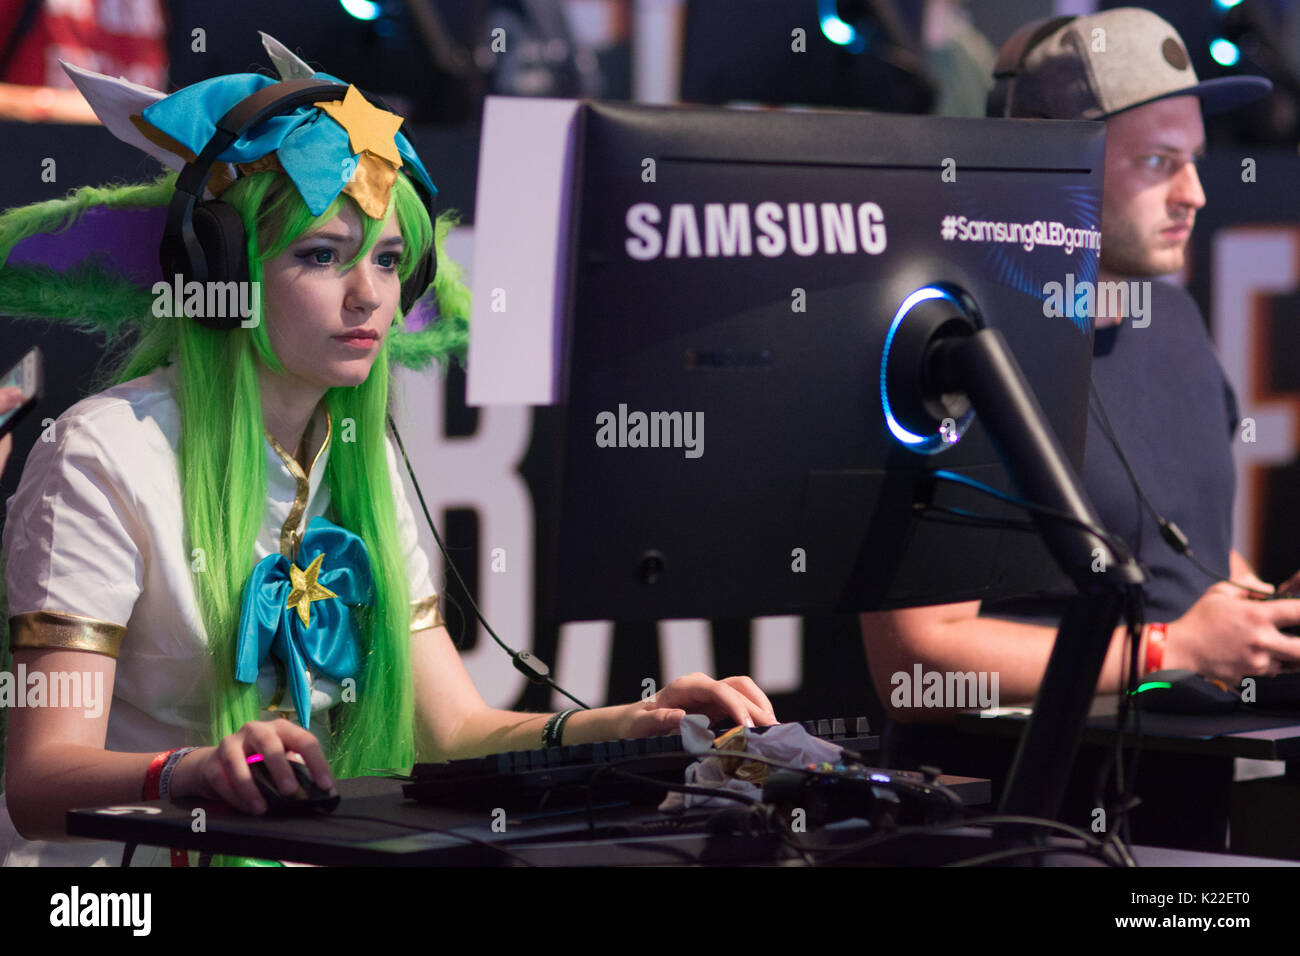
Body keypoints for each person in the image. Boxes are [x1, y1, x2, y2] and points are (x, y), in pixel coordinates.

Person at [0, 37, 776, 866]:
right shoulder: (101, 455)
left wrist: (635, 725)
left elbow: (454, 730)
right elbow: (40, 782)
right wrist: (188, 772)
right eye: (322, 255)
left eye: (390, 260)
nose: (369, 294)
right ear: (221, 268)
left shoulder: (356, 460)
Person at [863, 10, 1295, 744]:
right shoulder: (949, 348)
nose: (1194, 193)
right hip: (1033, 812)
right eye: (1159, 162)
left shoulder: (1172, 315)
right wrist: (1170, 650)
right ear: (1051, 163)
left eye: (1194, 159)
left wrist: (1264, 614)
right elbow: (914, 663)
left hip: (1187, 786)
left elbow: (1187, 555)